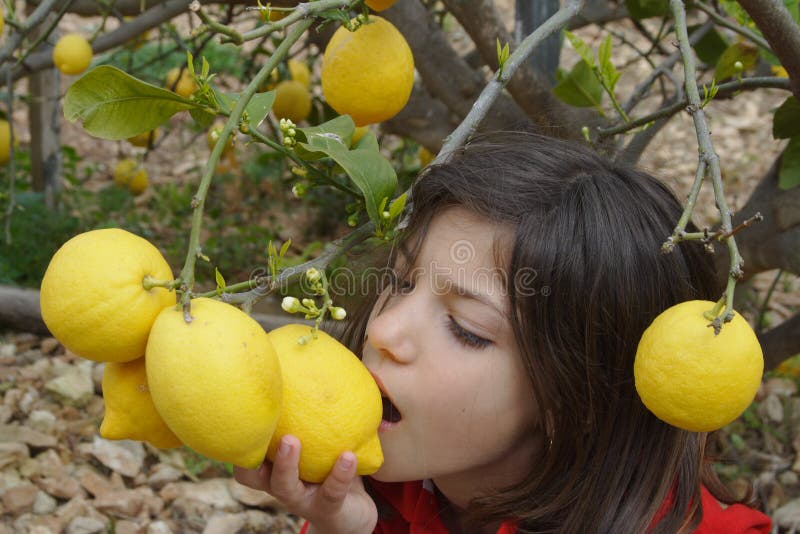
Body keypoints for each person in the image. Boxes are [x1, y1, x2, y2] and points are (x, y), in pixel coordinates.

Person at [234, 132, 772, 533]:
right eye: (399, 282)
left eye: (466, 330)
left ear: (576, 399)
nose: (383, 329)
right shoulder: (377, 491)